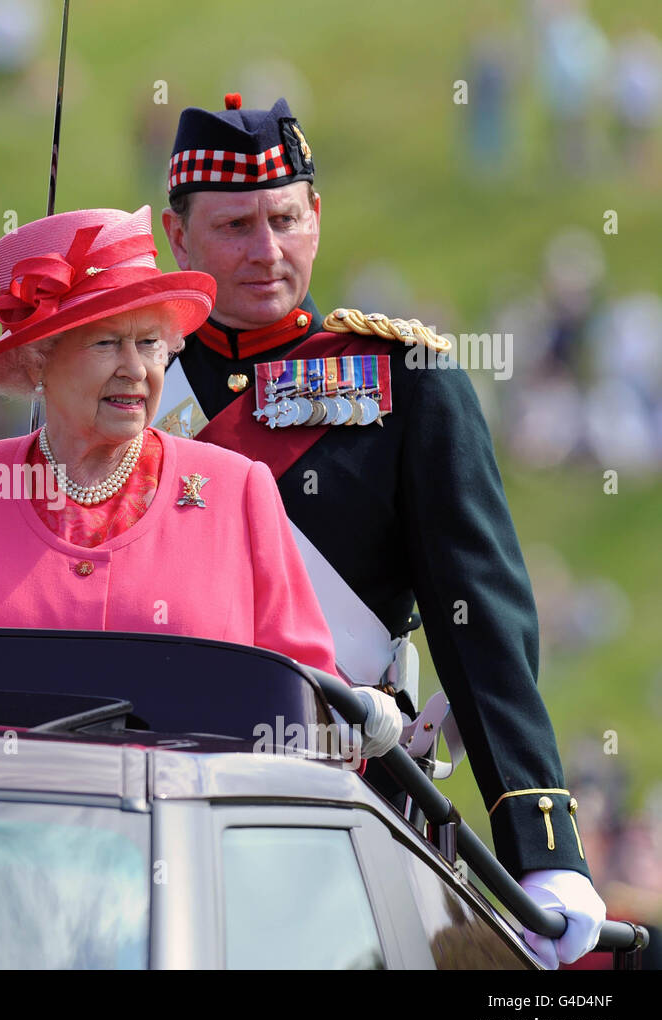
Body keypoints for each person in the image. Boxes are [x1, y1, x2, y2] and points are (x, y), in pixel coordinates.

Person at [159, 93, 605, 966]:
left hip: (343, 812)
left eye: (285, 218)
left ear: (317, 217)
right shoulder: (125, 383)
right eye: (236, 225)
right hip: (158, 798)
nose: (267, 250)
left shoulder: (407, 383)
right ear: (177, 238)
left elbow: (481, 626)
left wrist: (543, 848)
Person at [0, 205, 342, 680]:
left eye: (149, 343)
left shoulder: (238, 491)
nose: (135, 369)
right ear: (37, 360)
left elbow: (304, 691)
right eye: (105, 344)